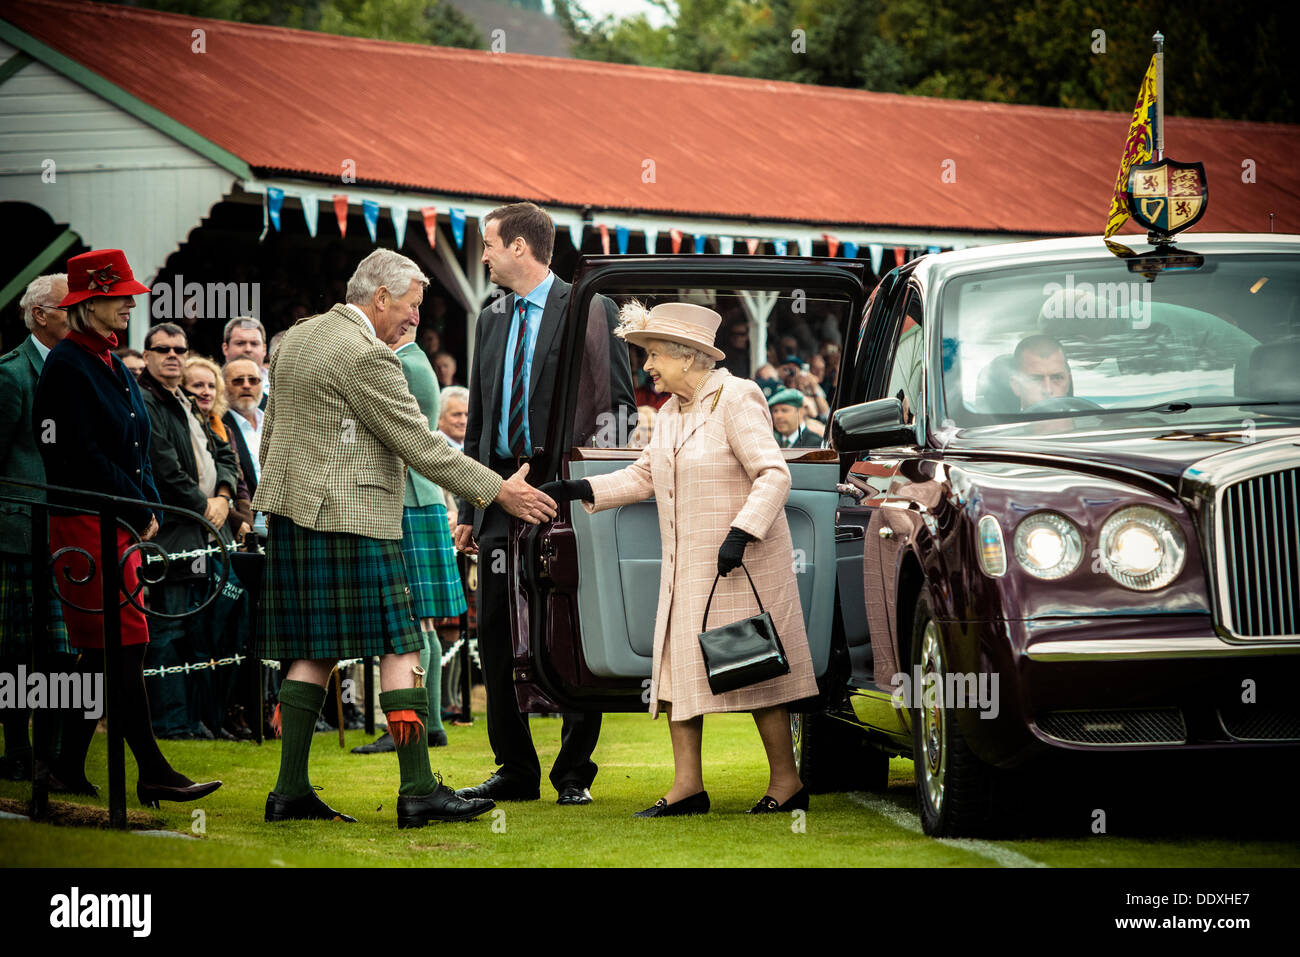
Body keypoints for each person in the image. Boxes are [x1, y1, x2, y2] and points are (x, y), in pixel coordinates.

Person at [253, 248, 556, 828]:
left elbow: (273, 433)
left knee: (313, 651)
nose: (417, 318)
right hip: (353, 515)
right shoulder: (366, 355)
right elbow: (421, 444)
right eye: (413, 306)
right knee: (402, 646)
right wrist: (499, 492)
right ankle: (418, 790)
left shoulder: (293, 338)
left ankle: (289, 791)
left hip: (292, 511)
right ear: (381, 296)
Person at [542, 301, 818, 817]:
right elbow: (643, 476)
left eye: (652, 355)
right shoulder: (671, 412)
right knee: (676, 678)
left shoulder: (737, 396)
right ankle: (687, 786)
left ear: (687, 357)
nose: (646, 367)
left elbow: (773, 473)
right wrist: (578, 486)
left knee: (757, 672)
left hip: (741, 563)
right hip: (689, 569)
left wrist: (742, 532)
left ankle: (787, 782)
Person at [452, 202, 635, 808]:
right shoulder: (490, 318)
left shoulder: (590, 307)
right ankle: (515, 769)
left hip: (565, 490)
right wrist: (471, 508)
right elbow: (478, 421)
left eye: (488, 244)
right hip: (500, 490)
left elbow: (617, 407)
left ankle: (573, 771)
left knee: (575, 625)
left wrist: (590, 489)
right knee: (497, 631)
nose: (482, 255)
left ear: (521, 248)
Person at [32, 249, 220, 806]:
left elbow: (136, 452)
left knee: (105, 650)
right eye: (119, 297)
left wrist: (146, 503)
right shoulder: (68, 365)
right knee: (123, 645)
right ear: (90, 303)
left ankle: (66, 765)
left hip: (113, 518)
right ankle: (153, 768)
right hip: (86, 521)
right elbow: (76, 455)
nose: (129, 305)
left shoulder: (108, 362)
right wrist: (142, 506)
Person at [351, 326, 463, 755]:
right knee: (423, 623)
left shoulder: (400, 362)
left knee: (410, 623)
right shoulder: (415, 361)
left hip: (407, 499)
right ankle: (430, 723)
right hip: (420, 496)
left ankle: (412, 724)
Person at [137, 323, 240, 740]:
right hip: (171, 534)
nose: (172, 356)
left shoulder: (186, 401)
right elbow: (164, 468)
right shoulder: (145, 401)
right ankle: (171, 722)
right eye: (162, 349)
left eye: (179, 349)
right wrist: (205, 508)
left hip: (201, 531)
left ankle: (197, 720)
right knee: (167, 630)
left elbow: (224, 455)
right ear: (146, 357)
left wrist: (224, 496)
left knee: (197, 631)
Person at [0, 274, 72, 782]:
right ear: (39, 315)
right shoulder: (11, 375)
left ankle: (51, 754)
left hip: (68, 535)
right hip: (17, 535)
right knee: (16, 654)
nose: (79, 314)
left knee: (61, 654)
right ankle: (17, 749)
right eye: (70, 306)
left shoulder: (79, 369)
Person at [1010, 334, 1073, 409]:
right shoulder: (998, 420)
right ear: (1016, 386)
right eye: (1036, 379)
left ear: (1068, 381)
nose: (1048, 390)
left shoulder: (1087, 415)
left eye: (1057, 378)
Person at [222, 317, 269, 408]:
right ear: (225, 348)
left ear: (264, 349)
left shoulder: (279, 385)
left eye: (254, 343)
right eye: (240, 343)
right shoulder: (212, 386)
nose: (248, 349)